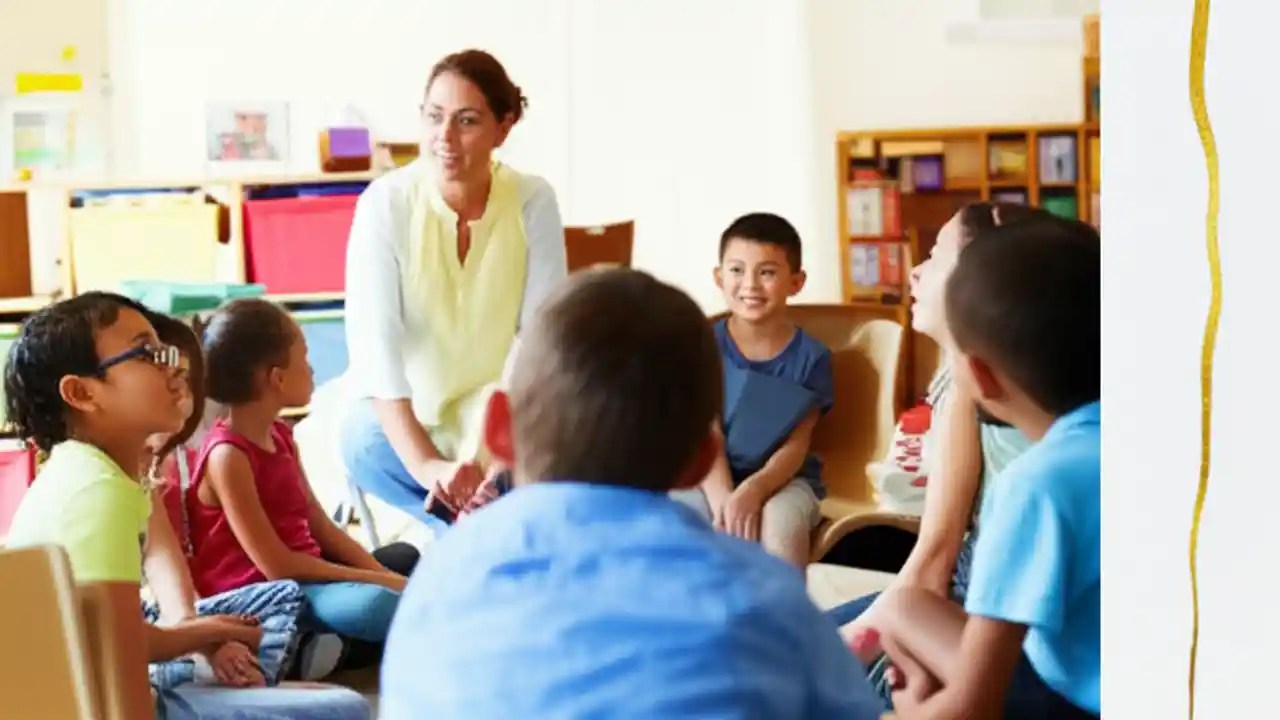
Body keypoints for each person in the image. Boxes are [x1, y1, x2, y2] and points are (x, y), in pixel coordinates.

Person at [380, 268, 884, 719]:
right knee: (875, 624)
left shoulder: (440, 579)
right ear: (703, 458)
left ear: (497, 432)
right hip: (797, 647)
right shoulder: (766, 597)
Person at [861, 218, 1100, 718]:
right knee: (902, 608)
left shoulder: (1036, 487)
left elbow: (973, 707)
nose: (916, 272)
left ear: (977, 374)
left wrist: (910, 707)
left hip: (1072, 702)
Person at [2, 293, 266, 716]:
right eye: (147, 353)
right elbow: (120, 669)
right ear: (82, 393)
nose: (174, 367)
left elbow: (116, 637)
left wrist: (202, 631)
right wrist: (203, 632)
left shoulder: (95, 474)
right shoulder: (97, 490)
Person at [341, 48, 568, 531]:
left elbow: (538, 343)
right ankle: (467, 533)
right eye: (433, 117)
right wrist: (430, 468)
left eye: (466, 121)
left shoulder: (533, 200)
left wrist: (497, 465)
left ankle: (469, 532)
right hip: (403, 419)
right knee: (359, 440)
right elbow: (375, 352)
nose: (444, 138)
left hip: (499, 414)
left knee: (555, 451)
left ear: (503, 128)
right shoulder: (385, 204)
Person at [826, 203, 1045, 700]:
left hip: (984, 598)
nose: (916, 270)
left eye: (934, 255)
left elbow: (934, 562)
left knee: (792, 668)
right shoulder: (979, 375)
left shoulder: (976, 388)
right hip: (975, 586)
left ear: (980, 279)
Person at [186, 298, 416, 660]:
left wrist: (384, 574)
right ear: (276, 379)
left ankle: (326, 648)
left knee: (405, 558)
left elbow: (321, 527)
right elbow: (277, 565)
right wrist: (383, 583)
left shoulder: (280, 435)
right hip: (270, 594)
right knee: (377, 605)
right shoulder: (227, 456)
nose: (312, 370)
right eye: (305, 358)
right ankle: (308, 647)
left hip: (308, 579)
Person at [142, 311, 344, 685]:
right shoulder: (217, 457)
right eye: (157, 366)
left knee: (399, 564)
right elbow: (133, 627)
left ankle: (314, 648)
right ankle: (304, 650)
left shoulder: (156, 473)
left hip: (221, 613)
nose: (179, 386)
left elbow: (176, 591)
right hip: (247, 601)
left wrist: (205, 635)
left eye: (183, 373)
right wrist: (212, 641)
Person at [686, 212, 833, 568]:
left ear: (796, 282)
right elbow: (707, 433)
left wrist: (754, 491)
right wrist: (726, 501)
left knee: (781, 523)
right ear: (719, 278)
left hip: (786, 481)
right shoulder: (702, 344)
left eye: (766, 272)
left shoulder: (812, 358)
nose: (749, 284)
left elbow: (796, 445)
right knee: (681, 515)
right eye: (737, 270)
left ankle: (784, 621)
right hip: (709, 474)